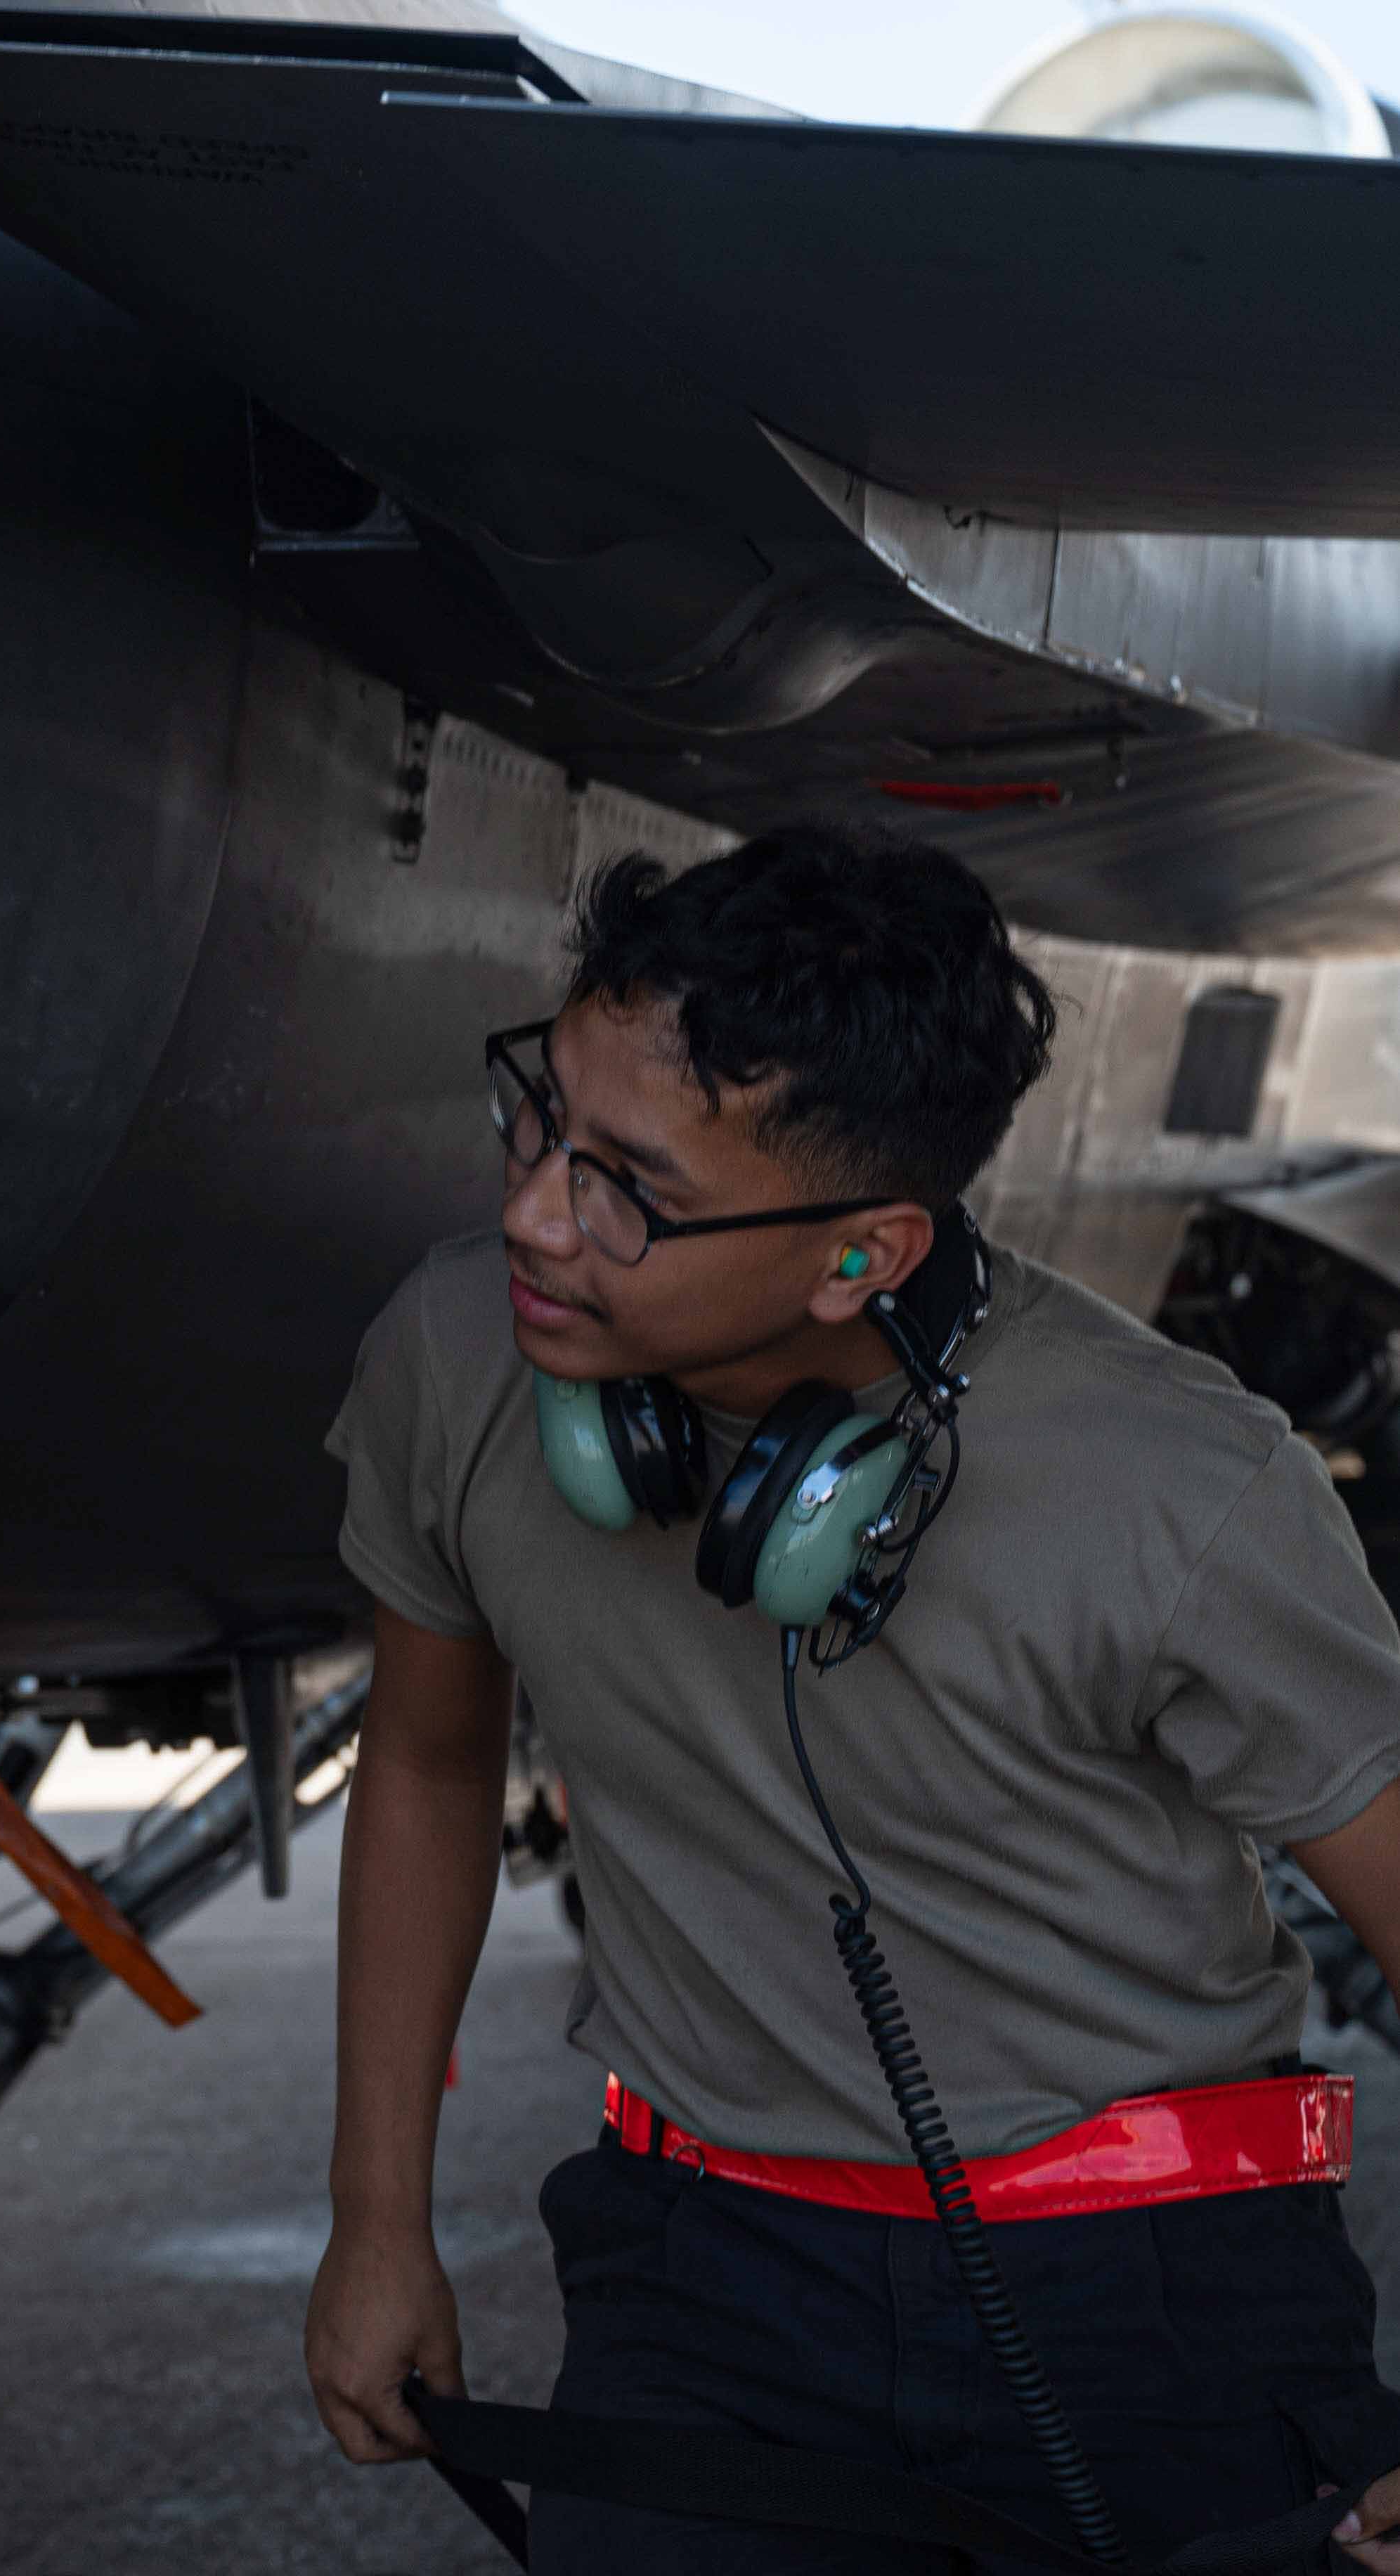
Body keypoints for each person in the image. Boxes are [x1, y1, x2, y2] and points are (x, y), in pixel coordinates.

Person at [302, 826, 1400, 2568]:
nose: (532, 1210)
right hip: (698, 2273)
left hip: (1155, 2291)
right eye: (542, 1120)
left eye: (626, 1188)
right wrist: (378, 2220)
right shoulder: (458, 1362)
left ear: (858, 1252)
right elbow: (428, 1766)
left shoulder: (1178, 1484)